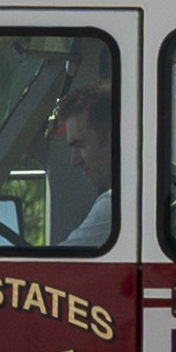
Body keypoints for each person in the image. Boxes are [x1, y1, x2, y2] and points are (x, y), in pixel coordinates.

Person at [58, 84, 116, 250]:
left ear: (114, 138)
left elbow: (53, 269)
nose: (74, 161)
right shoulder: (166, 181)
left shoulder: (117, 205)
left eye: (81, 145)